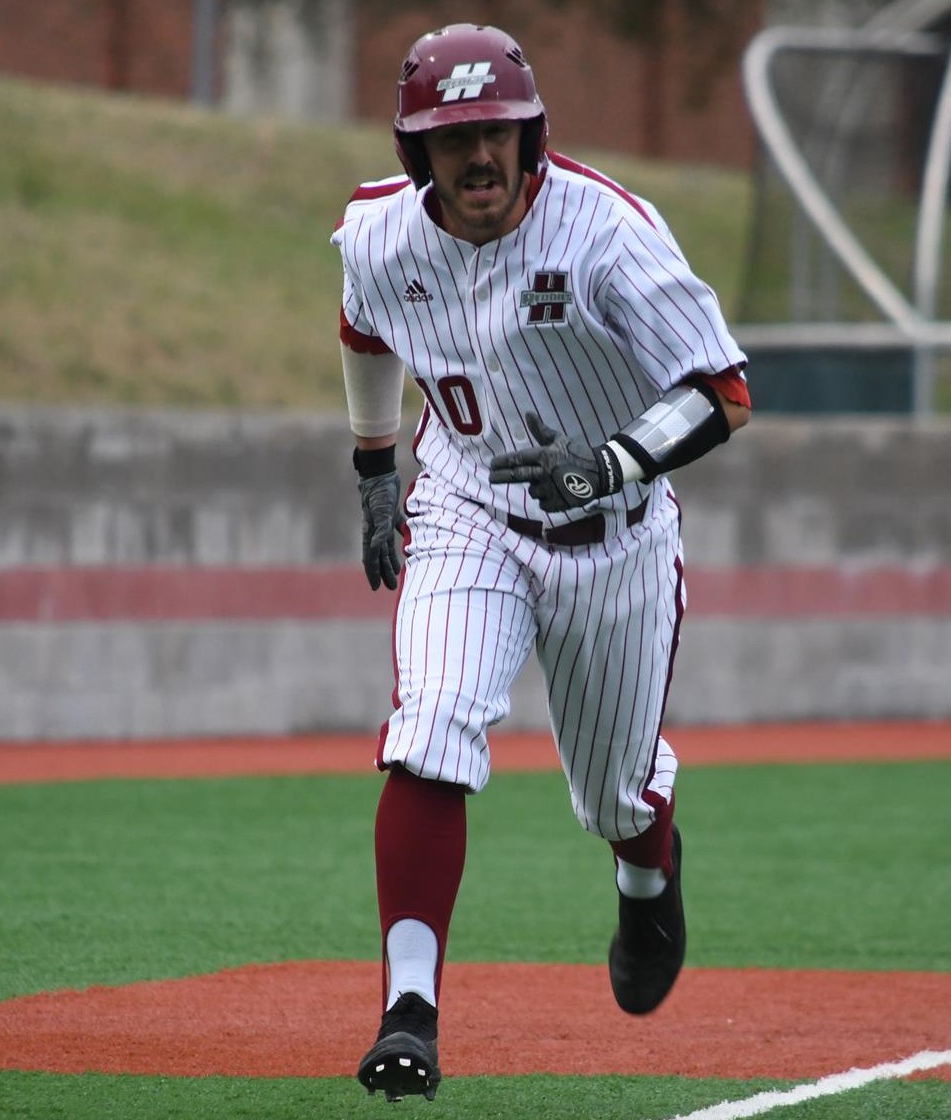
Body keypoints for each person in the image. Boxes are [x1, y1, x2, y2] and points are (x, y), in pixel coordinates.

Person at [331, 22, 752, 1104]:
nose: (478, 156)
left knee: (612, 795)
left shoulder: (606, 231)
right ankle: (408, 1012)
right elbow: (363, 328)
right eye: (451, 136)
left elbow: (721, 390)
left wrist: (605, 464)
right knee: (429, 725)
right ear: (416, 149)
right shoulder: (381, 235)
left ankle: (645, 873)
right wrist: (377, 468)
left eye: (496, 133)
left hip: (613, 537)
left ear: (532, 137)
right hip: (470, 504)